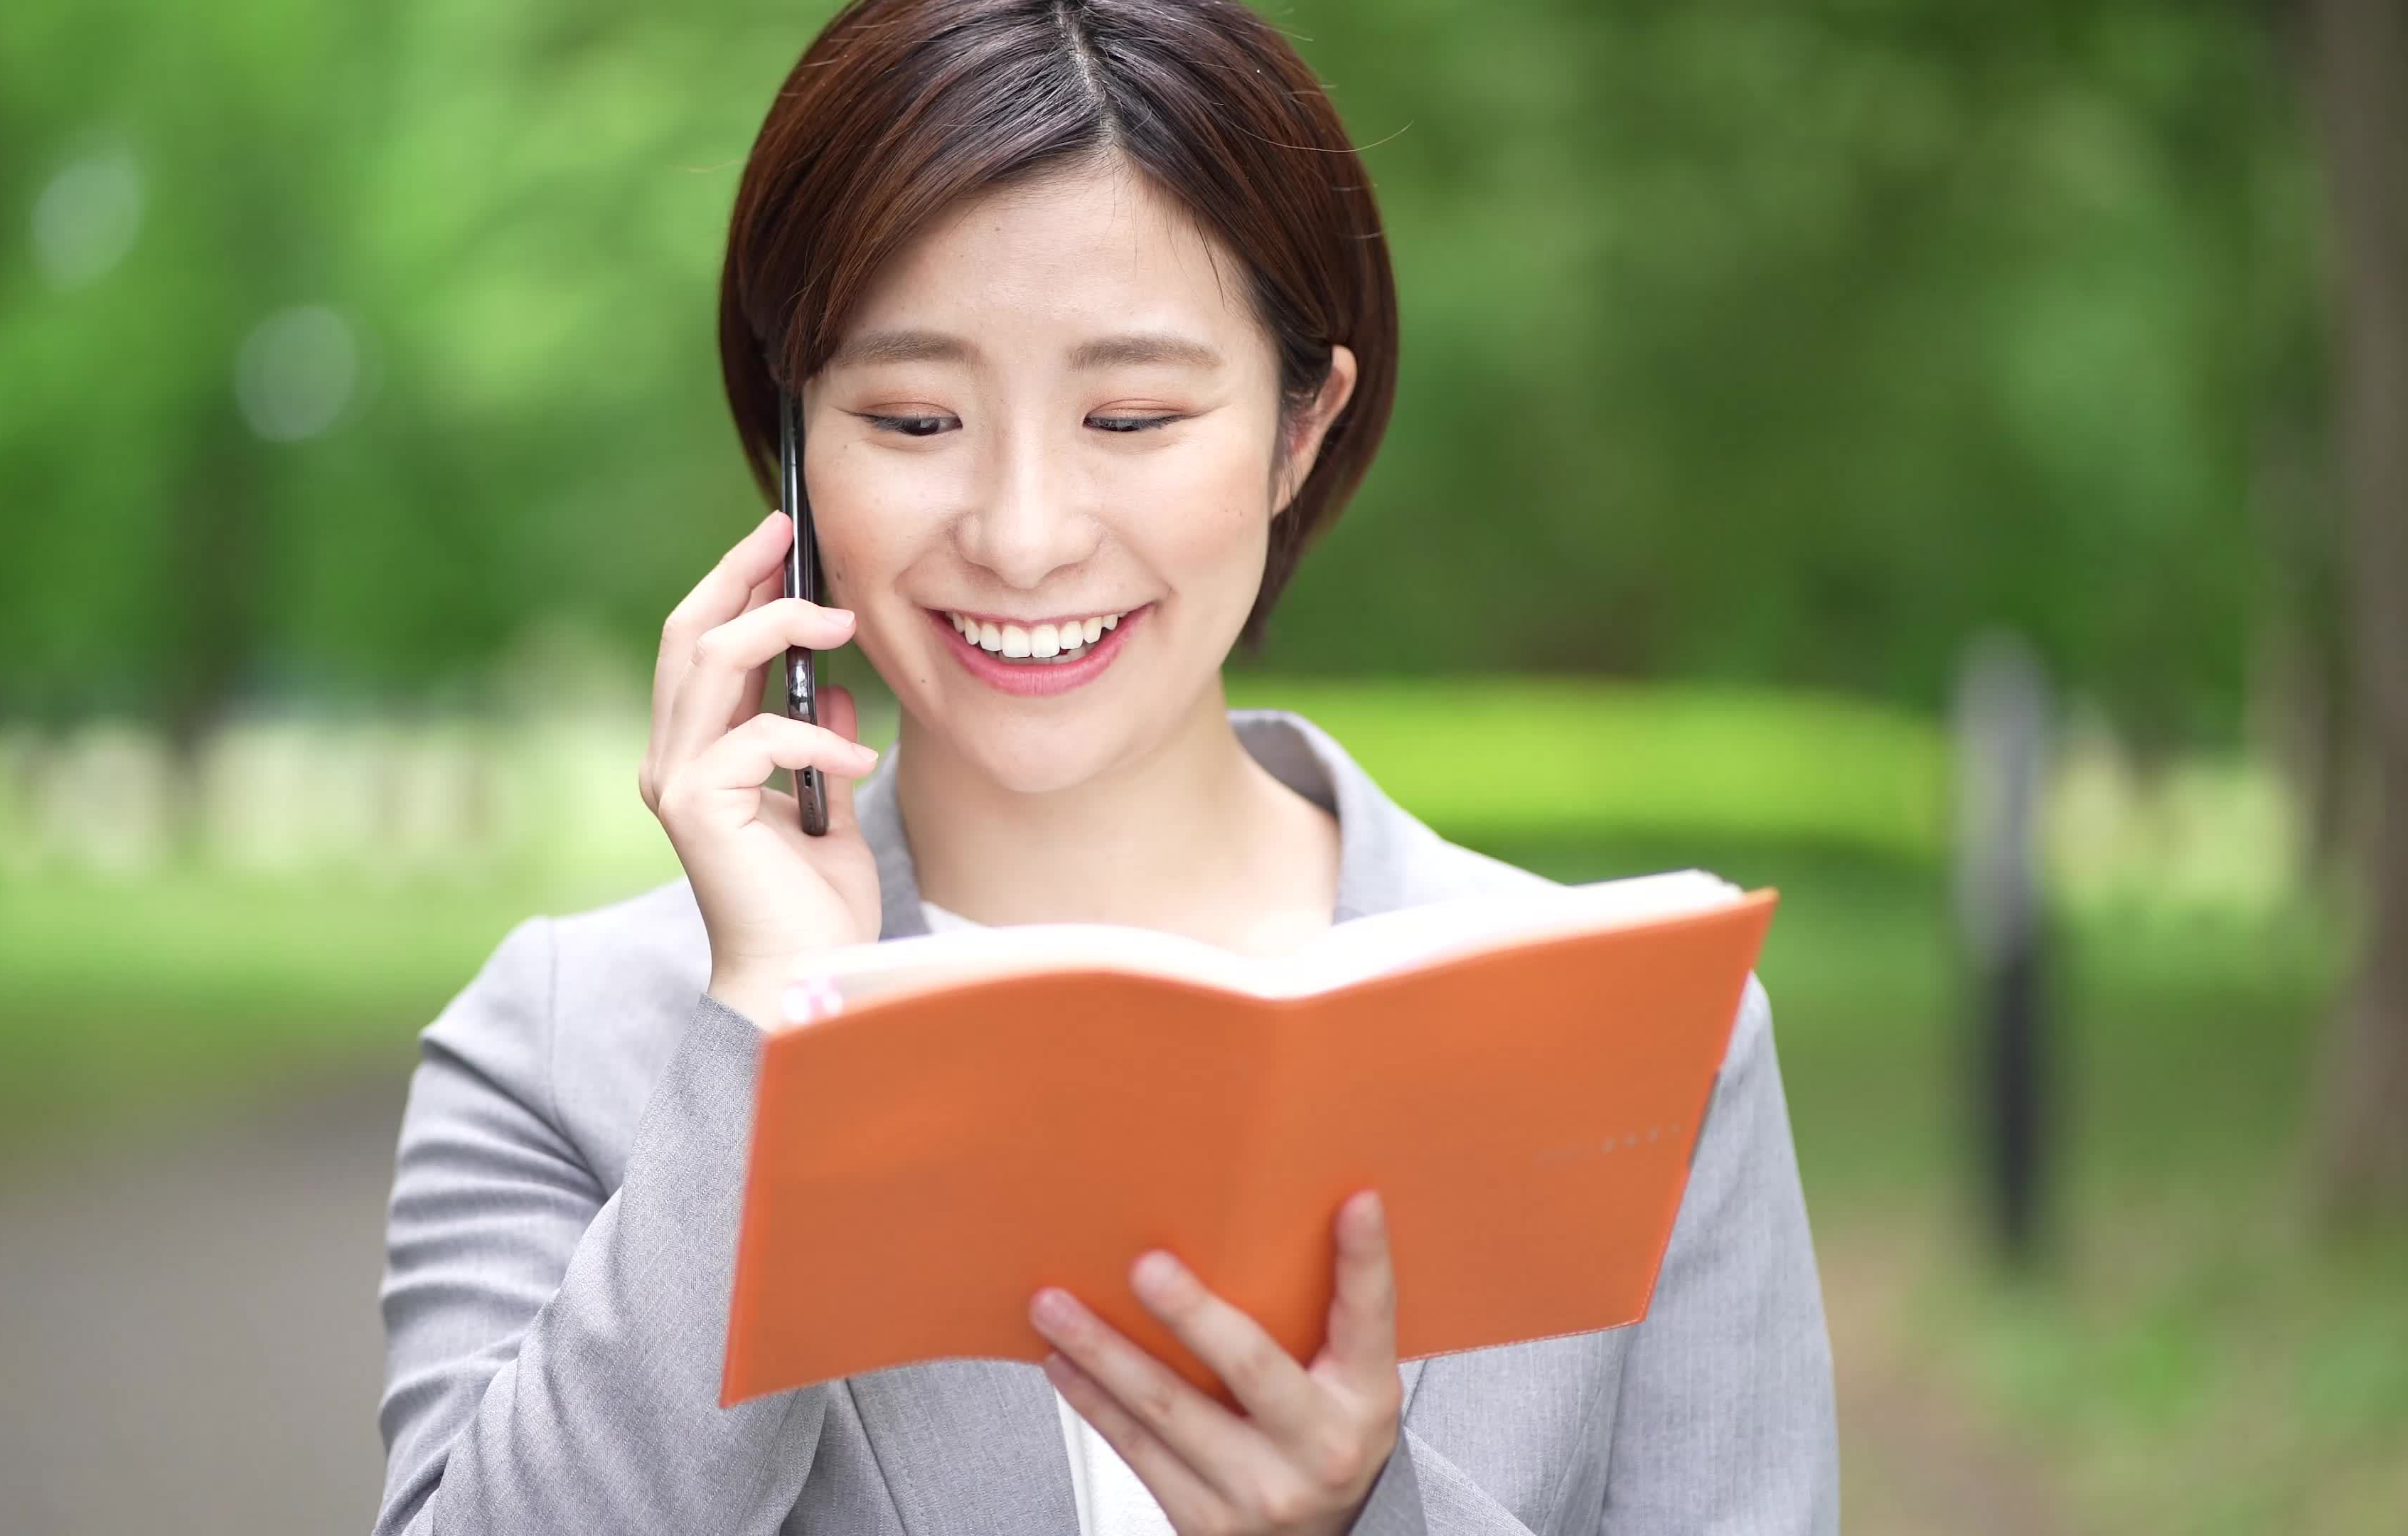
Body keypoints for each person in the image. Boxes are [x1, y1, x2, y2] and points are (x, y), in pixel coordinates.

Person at [373, 1, 1839, 1532]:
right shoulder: (561, 1048)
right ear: (795, 442)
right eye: (914, 416)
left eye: (1130, 414)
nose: (1022, 532)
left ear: (1299, 429)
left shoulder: (1648, 1045)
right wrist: (776, 1035)